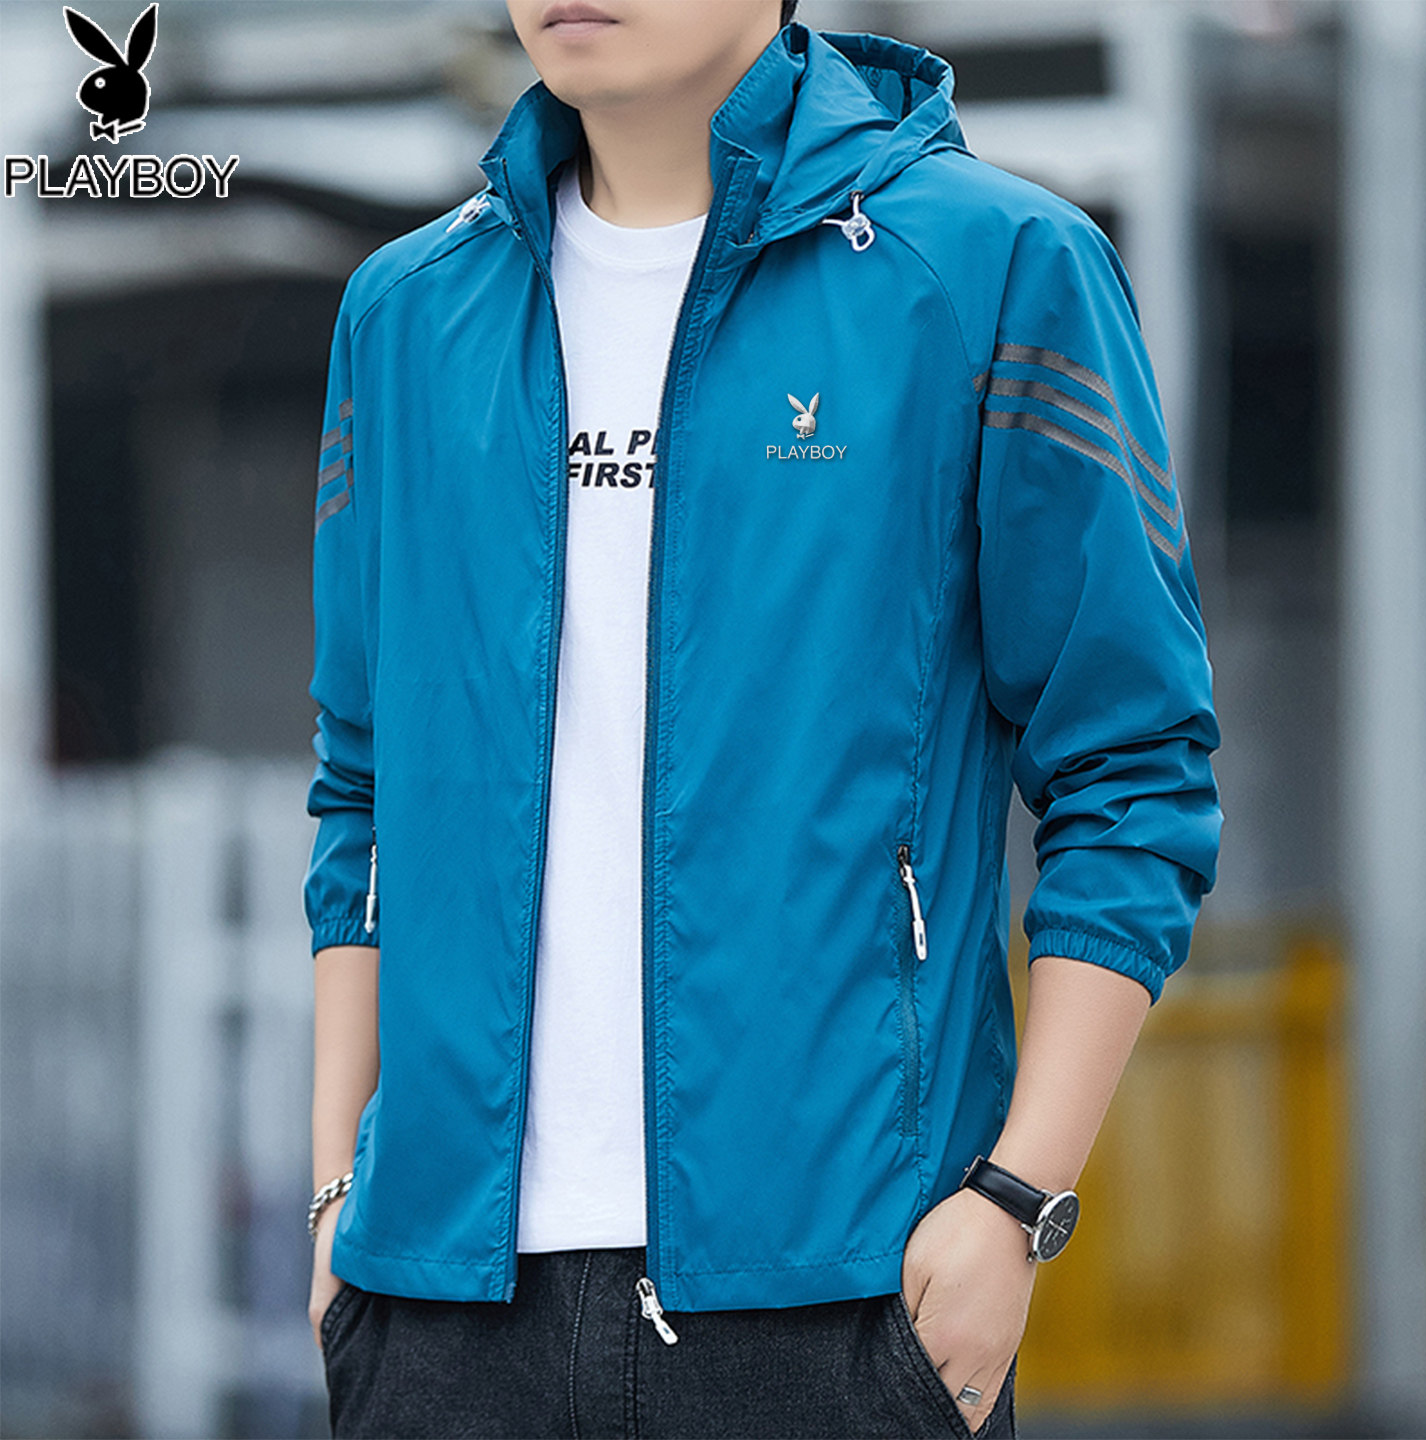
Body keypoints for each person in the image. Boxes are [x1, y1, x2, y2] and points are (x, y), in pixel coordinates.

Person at [302, 1, 1222, 1436]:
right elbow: (363, 787)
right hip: (438, 1317)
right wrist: (337, 1203)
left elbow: (1135, 770)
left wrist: (1015, 1200)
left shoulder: (990, 268)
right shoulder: (407, 316)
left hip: (839, 1301)